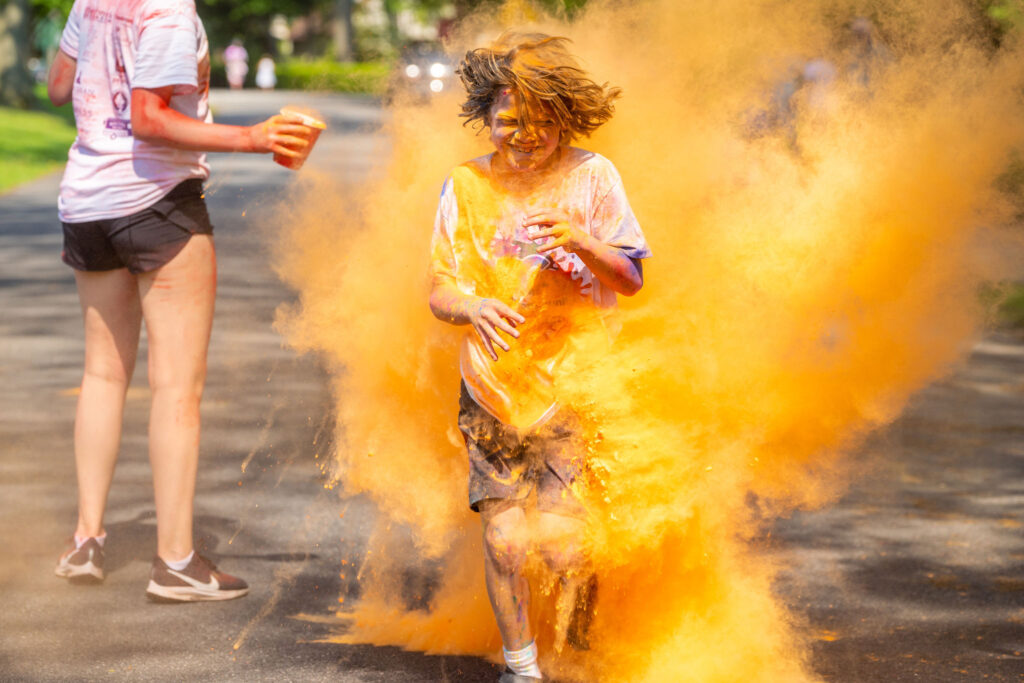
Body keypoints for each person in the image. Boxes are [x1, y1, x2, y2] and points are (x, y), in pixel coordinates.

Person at [47, 0, 312, 601]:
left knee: (102, 374)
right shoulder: (167, 10)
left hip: (87, 202)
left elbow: (59, 85)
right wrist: (252, 137)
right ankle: (175, 562)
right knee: (176, 388)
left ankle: (86, 540)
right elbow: (147, 117)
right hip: (158, 200)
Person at [429, 32, 650, 682]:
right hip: (491, 387)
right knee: (505, 540)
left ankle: (584, 642)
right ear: (488, 118)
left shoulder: (593, 176)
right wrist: (469, 308)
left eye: (540, 123)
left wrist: (579, 239)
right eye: (508, 122)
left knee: (561, 546)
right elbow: (439, 290)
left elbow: (632, 278)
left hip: (574, 387)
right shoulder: (464, 185)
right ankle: (522, 668)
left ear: (565, 118)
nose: (524, 136)